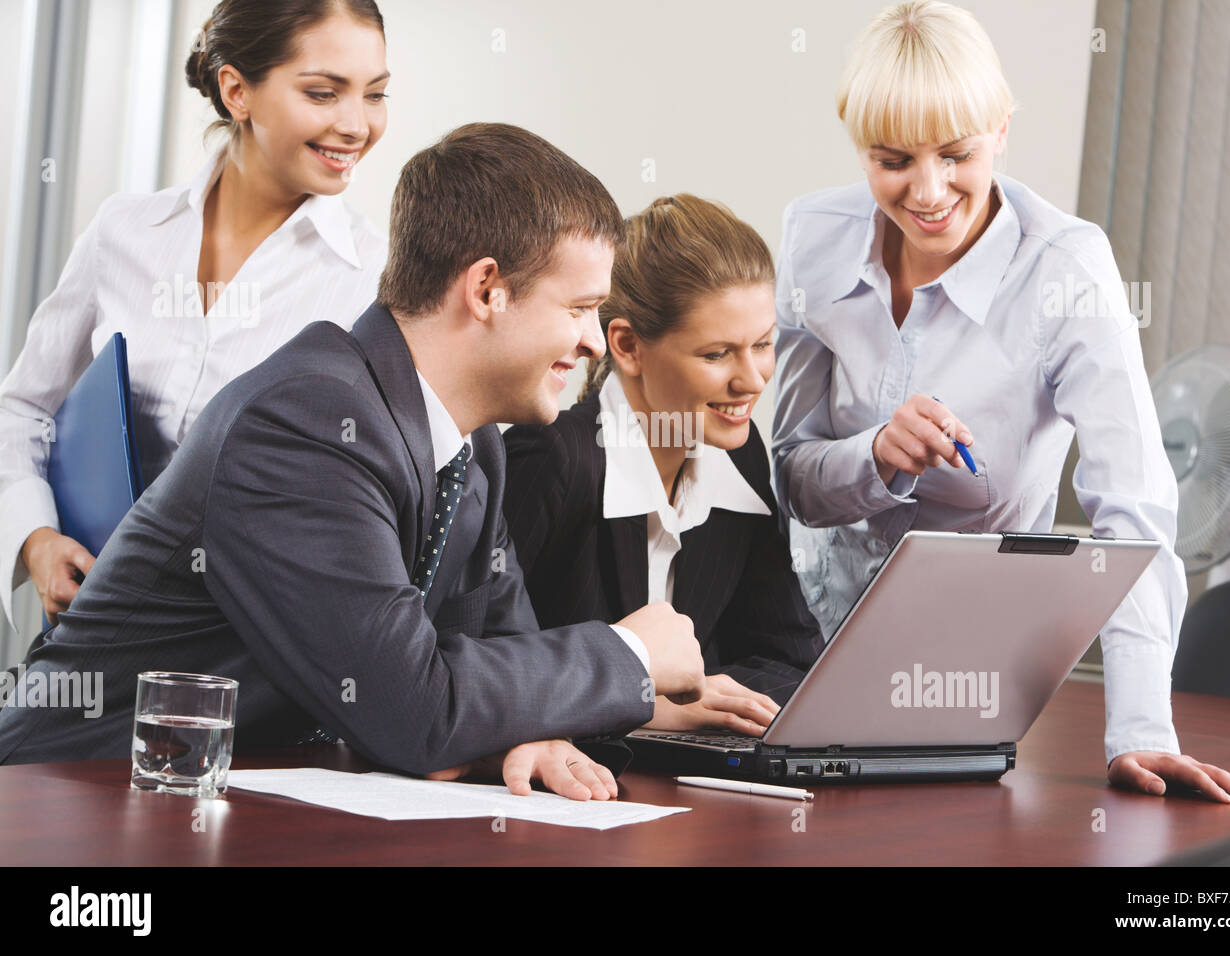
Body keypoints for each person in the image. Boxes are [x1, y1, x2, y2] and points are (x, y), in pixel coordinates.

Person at [0, 123, 708, 803]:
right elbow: (410, 704)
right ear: (486, 288)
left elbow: (500, 652)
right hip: (69, 803)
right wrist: (630, 653)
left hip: (247, 803)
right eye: (581, 308)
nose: (593, 344)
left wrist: (530, 733)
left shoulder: (475, 445)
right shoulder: (304, 424)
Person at [770, 0, 1230, 805]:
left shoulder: (1066, 270)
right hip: (801, 646)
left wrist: (1141, 730)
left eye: (958, 153)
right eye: (892, 159)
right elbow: (789, 474)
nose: (928, 192)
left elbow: (1133, 508)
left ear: (1001, 129)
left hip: (965, 668)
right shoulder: (812, 237)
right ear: (856, 144)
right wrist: (875, 457)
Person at [0, 0, 391, 632]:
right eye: (324, 93)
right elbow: (23, 410)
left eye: (375, 95)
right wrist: (35, 538)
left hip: (246, 647)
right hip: (88, 630)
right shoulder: (124, 232)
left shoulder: (374, 279)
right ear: (237, 90)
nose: (357, 125)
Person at [503, 195, 823, 737]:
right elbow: (488, 669)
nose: (753, 380)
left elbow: (793, 660)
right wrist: (640, 705)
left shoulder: (738, 453)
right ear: (626, 345)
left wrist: (697, 703)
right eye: (717, 354)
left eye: (764, 345)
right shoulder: (554, 458)